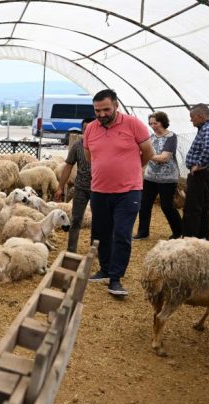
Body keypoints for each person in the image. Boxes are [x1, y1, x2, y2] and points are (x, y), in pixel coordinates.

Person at [83, 89, 155, 298]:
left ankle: (115, 278)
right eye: (97, 111)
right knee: (100, 233)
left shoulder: (133, 124)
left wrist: (131, 169)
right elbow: (89, 156)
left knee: (122, 234)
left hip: (128, 191)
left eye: (106, 109)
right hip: (99, 190)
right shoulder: (91, 129)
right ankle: (104, 269)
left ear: (116, 105)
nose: (101, 114)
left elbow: (148, 152)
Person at [134, 111, 183, 240]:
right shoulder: (151, 137)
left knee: (167, 206)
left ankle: (179, 232)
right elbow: (142, 151)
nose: (153, 126)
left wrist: (147, 155)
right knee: (144, 205)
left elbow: (164, 158)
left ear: (163, 122)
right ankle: (143, 232)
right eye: (151, 123)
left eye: (155, 123)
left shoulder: (171, 137)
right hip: (150, 177)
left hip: (167, 178)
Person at [182, 104, 209, 240]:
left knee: (192, 209)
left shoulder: (207, 128)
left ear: (200, 116)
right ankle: (202, 239)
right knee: (202, 208)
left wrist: (199, 165)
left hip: (201, 174)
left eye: (192, 117)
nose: (191, 120)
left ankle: (189, 241)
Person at [55, 116, 96, 253]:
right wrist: (60, 187)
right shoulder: (77, 146)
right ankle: (71, 250)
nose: (88, 131)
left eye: (91, 128)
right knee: (76, 219)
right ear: (82, 130)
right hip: (81, 188)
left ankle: (94, 250)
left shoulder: (103, 145)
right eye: (85, 129)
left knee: (98, 221)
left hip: (99, 189)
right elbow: (68, 166)